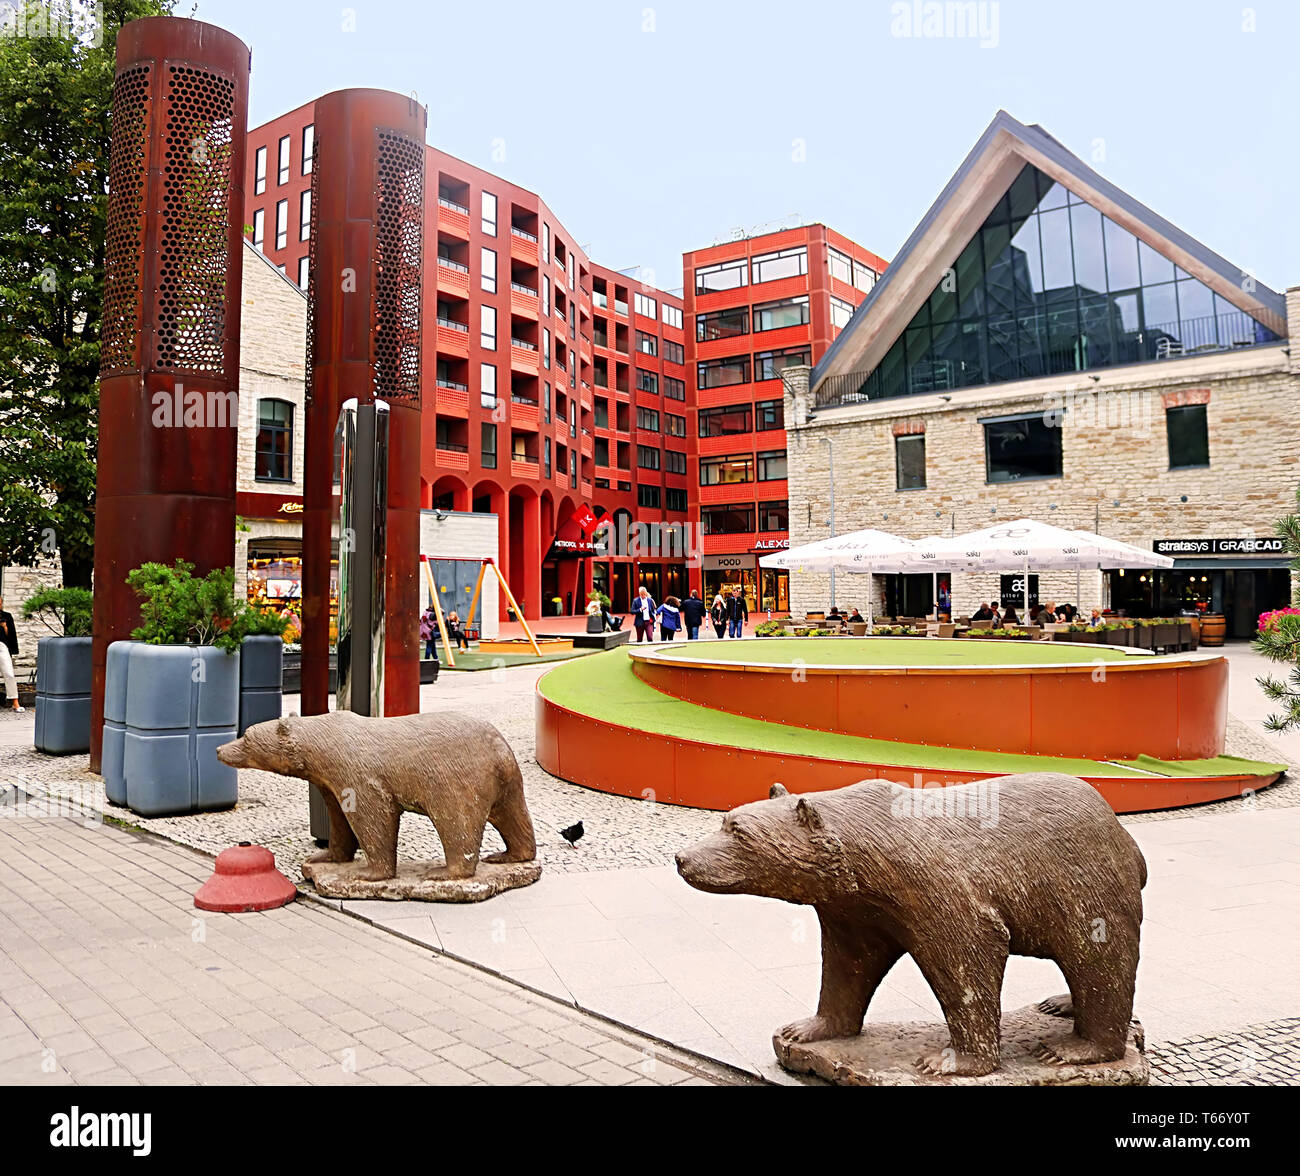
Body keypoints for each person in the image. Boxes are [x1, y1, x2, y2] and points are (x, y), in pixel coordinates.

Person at [0, 598, 19, 712]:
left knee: (9, 673)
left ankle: (15, 701)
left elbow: (11, 635)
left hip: (2, 646)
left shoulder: (6, 616)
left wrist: (4, 627)